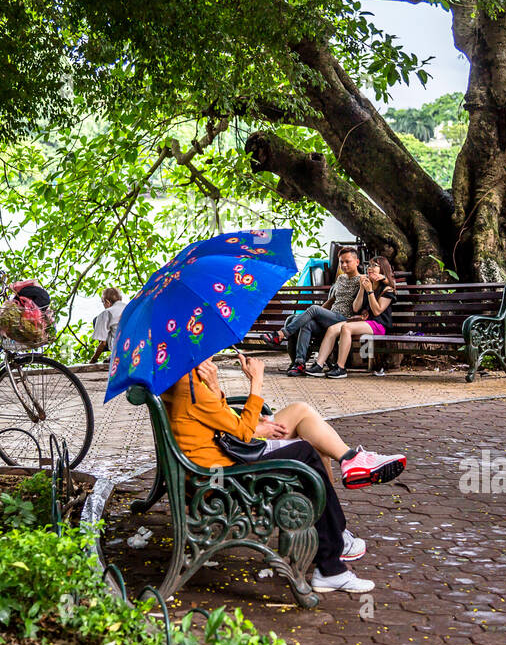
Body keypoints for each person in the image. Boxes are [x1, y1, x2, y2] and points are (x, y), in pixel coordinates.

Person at [166, 353, 407, 594]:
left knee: (306, 435)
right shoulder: (189, 385)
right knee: (306, 452)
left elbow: (214, 416)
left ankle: (339, 519)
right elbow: (239, 429)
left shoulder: (181, 374)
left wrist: (216, 386)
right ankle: (331, 564)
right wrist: (256, 382)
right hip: (221, 476)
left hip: (220, 459)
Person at [307, 256, 396, 378]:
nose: (370, 268)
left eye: (375, 265)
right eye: (369, 265)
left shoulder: (387, 289)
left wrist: (370, 291)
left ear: (382, 269)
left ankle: (341, 367)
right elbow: (355, 308)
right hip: (365, 322)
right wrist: (361, 288)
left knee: (346, 328)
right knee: (332, 329)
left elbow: (377, 311)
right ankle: (318, 365)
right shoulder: (367, 284)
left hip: (378, 325)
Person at [283, 247, 364, 377]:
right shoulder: (341, 279)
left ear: (357, 262)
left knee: (314, 308)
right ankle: (299, 363)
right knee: (305, 323)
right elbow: (333, 300)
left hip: (344, 319)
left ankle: (283, 333)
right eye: (341, 262)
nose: (343, 265)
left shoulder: (362, 280)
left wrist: (318, 311)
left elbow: (357, 307)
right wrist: (321, 311)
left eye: (347, 261)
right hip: (331, 317)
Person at [91, 287, 126, 362]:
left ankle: (113, 354)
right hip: (134, 347)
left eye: (103, 302)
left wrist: (93, 360)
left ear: (107, 302)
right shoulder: (129, 307)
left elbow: (102, 343)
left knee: (96, 320)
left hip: (119, 351)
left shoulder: (106, 313)